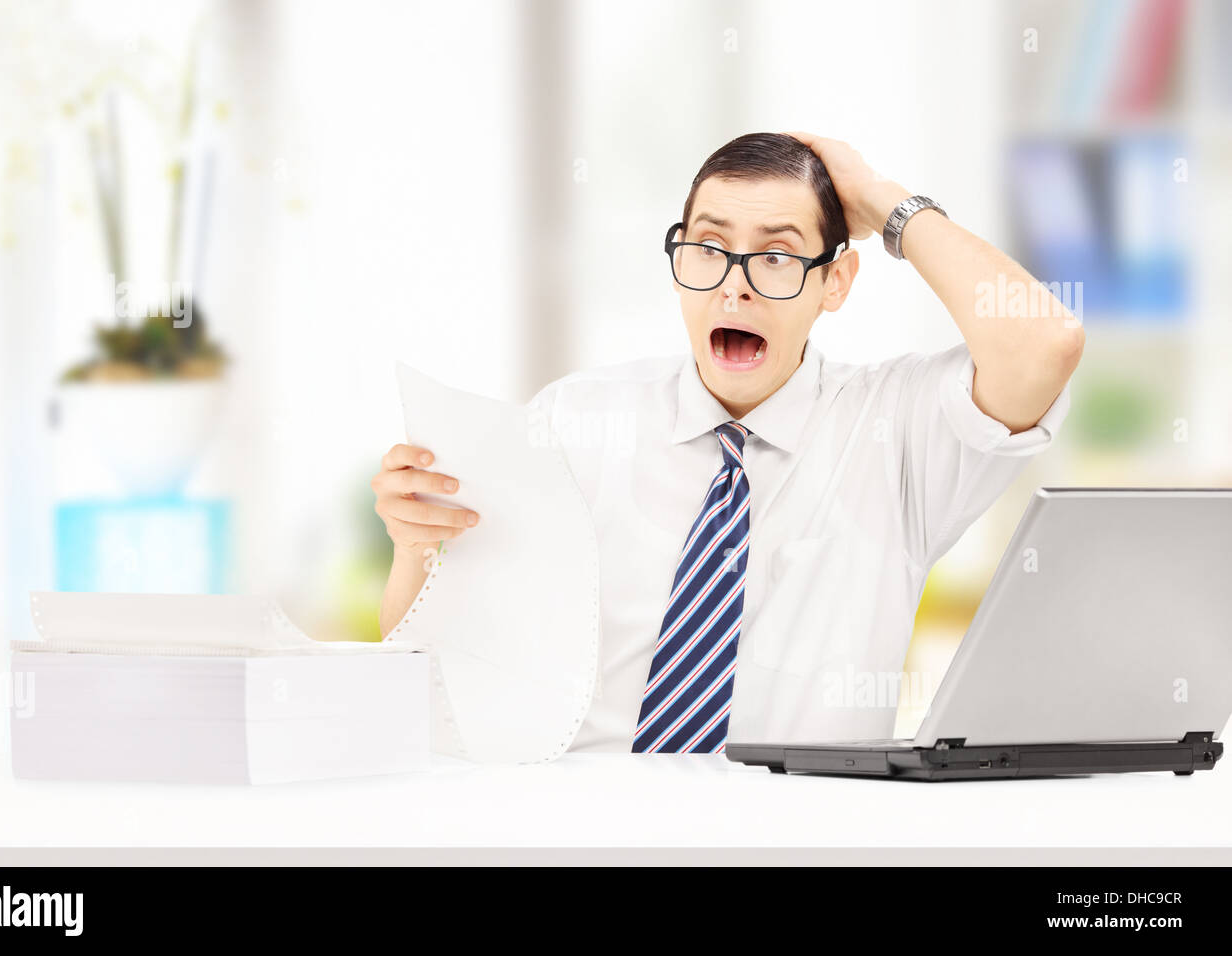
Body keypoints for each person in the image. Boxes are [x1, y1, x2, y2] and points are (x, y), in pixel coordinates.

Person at [371, 131, 1082, 754]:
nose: (734, 289)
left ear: (834, 280)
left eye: (776, 257)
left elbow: (1044, 344)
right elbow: (437, 667)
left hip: (801, 842)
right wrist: (415, 550)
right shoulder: (575, 420)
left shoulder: (897, 429)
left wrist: (882, 202)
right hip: (589, 823)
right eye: (708, 248)